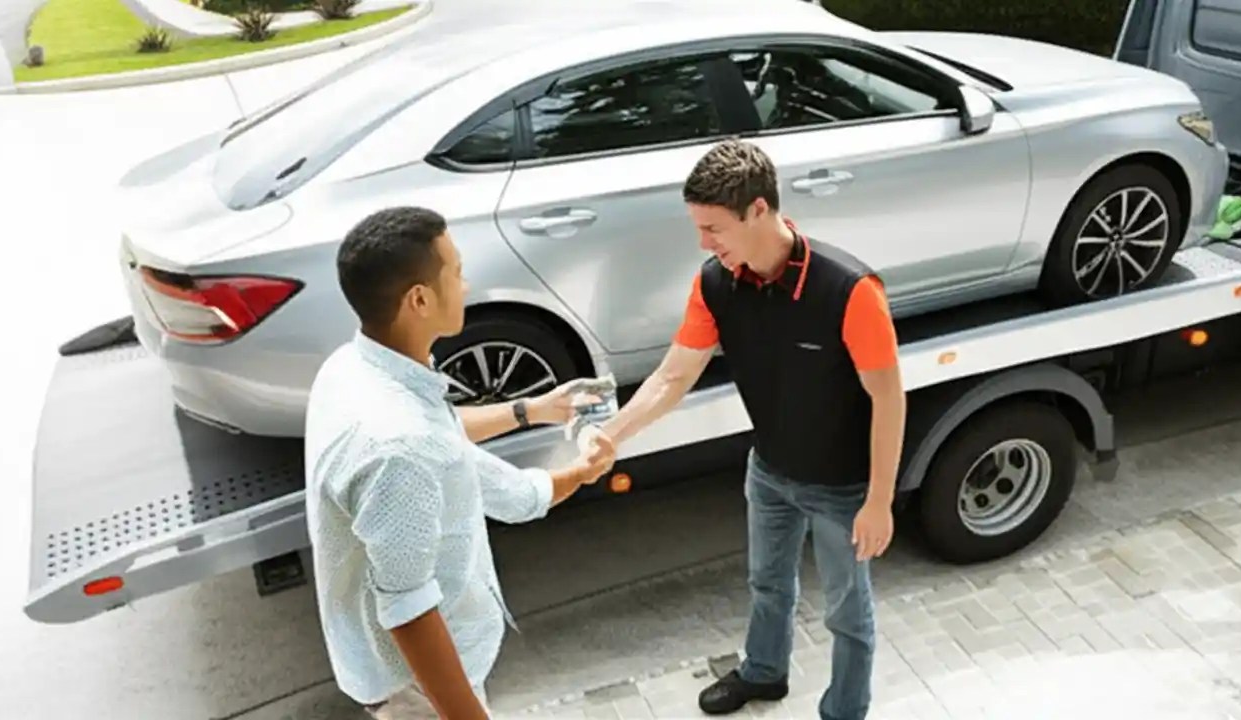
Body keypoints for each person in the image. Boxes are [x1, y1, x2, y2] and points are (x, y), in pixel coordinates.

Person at [601, 138, 906, 720]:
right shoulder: (716, 282)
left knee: (847, 612)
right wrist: (611, 436)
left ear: (759, 211)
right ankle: (765, 674)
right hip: (768, 471)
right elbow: (673, 376)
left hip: (842, 487)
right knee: (767, 583)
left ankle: (845, 711)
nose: (703, 243)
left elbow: (888, 398)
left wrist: (879, 501)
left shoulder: (849, 291)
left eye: (714, 228)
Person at [303, 206, 617, 719]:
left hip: (422, 680)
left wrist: (534, 412)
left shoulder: (358, 369)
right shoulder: (398, 450)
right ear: (419, 299)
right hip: (419, 693)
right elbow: (408, 610)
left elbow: (442, 438)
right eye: (457, 272)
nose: (467, 285)